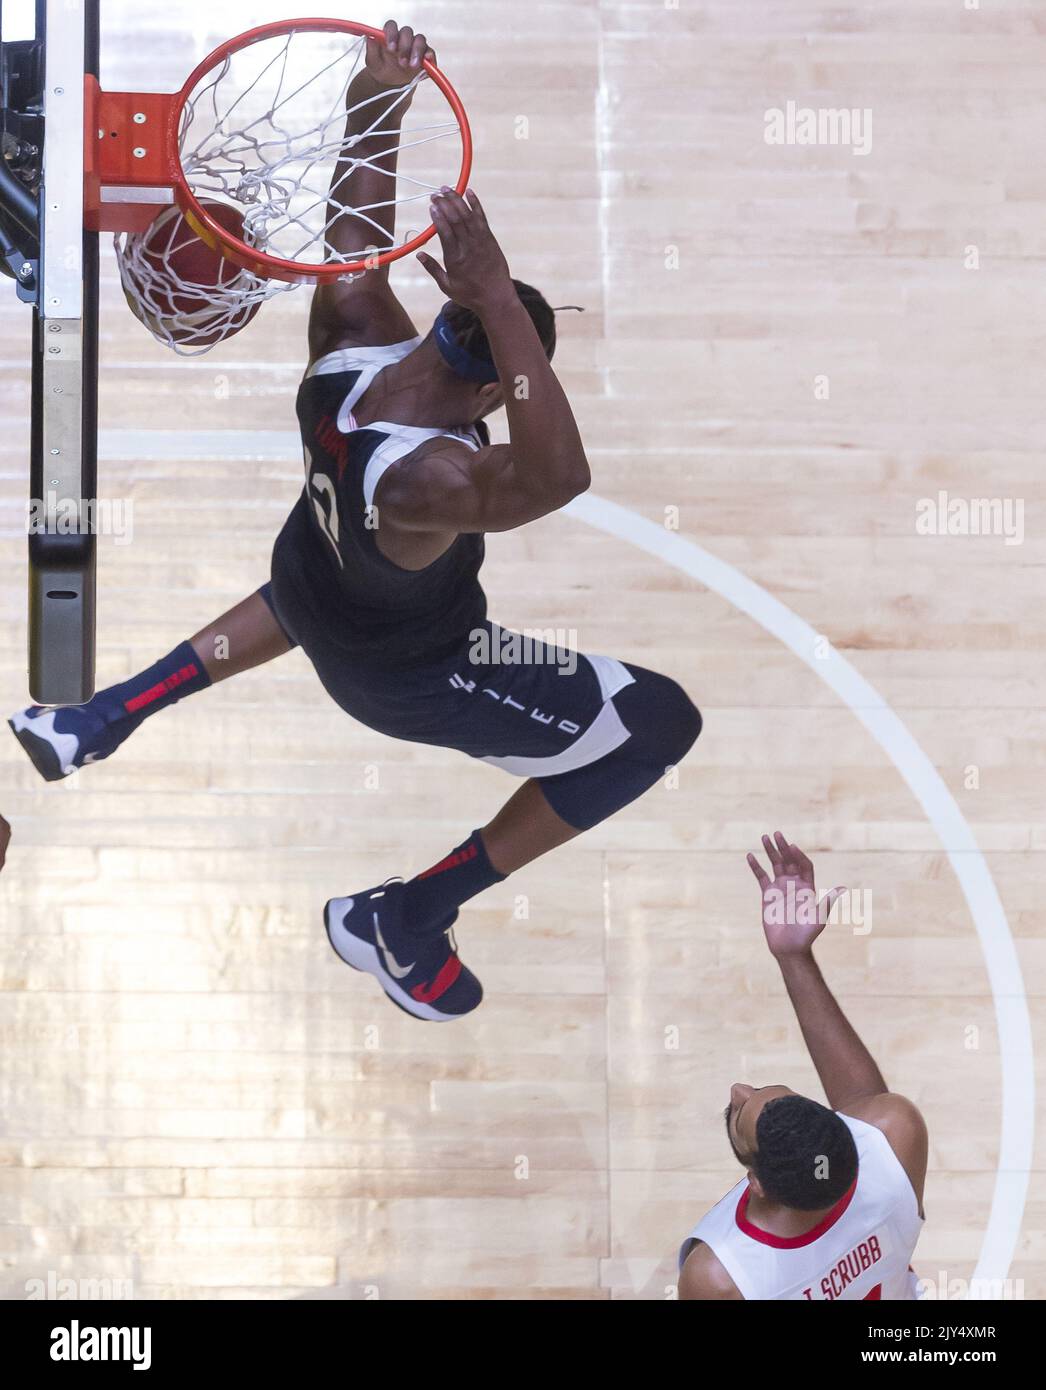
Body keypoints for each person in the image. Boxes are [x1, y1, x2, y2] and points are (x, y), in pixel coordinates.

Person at [10, 21, 701, 1022]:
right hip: (413, 674)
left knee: (327, 578)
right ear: (492, 398)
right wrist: (505, 304)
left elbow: (355, 221)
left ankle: (102, 715)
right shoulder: (431, 480)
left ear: (435, 320)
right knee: (654, 723)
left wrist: (377, 95)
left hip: (311, 583)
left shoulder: (353, 332)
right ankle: (408, 918)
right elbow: (559, 475)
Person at [678, 833, 927, 1300]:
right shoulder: (898, 1135)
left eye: (740, 1117)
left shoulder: (720, 1276)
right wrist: (794, 956)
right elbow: (867, 1107)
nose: (739, 1089)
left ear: (757, 1183)